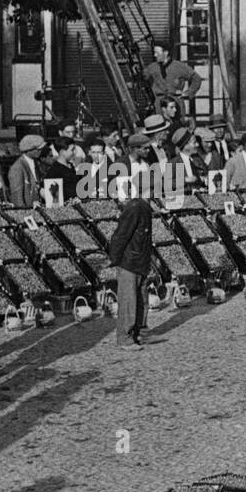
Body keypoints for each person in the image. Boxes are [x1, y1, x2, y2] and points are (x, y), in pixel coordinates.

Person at [108, 142, 153, 350]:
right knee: (129, 301)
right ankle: (125, 338)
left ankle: (135, 334)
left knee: (137, 298)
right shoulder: (135, 207)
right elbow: (120, 237)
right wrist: (116, 259)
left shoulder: (140, 206)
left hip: (138, 258)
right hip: (131, 259)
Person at [143, 43, 201, 120]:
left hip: (175, 103)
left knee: (177, 128)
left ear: (166, 53)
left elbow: (196, 78)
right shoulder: (152, 67)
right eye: (154, 52)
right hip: (159, 105)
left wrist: (188, 92)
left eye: (157, 52)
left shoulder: (179, 66)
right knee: (160, 128)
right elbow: (142, 78)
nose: (155, 55)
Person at [7, 134, 45, 209]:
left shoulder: (35, 162)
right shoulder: (17, 167)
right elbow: (17, 198)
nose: (40, 151)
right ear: (28, 150)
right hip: (26, 210)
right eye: (38, 149)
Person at [42, 138, 78, 206]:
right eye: (72, 150)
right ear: (62, 152)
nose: (75, 152)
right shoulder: (55, 170)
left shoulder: (71, 166)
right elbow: (47, 192)